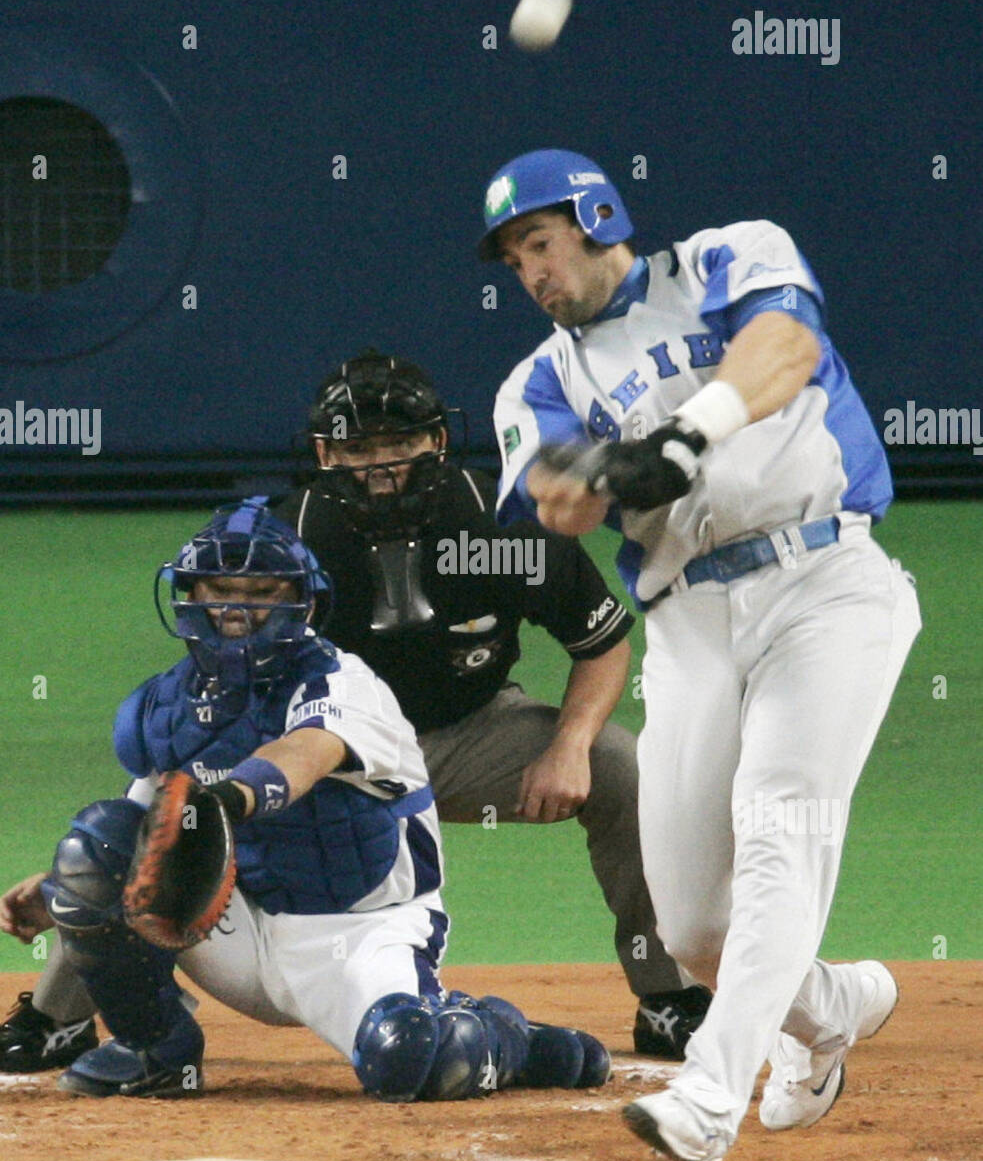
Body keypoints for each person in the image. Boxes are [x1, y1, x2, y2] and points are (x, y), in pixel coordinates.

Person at [0, 354, 711, 1070]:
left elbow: (602, 642)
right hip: (312, 762)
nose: (380, 464)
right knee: (142, 816)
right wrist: (77, 881)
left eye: (398, 444)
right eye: (357, 448)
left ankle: (669, 998)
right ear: (323, 454)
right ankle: (56, 1017)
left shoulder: (503, 526)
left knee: (620, 765)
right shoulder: (283, 544)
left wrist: (569, 744)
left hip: (469, 733)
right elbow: (201, 726)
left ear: (436, 441)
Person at [478, 148, 921, 1161]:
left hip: (825, 582)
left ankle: (710, 1095)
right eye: (511, 260)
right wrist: (590, 470)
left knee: (778, 825)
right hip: (688, 622)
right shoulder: (536, 378)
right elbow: (554, 493)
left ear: (594, 213)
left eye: (537, 241)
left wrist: (680, 437)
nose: (529, 272)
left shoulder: (726, 258)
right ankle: (834, 1004)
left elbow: (782, 348)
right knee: (690, 927)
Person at [23, 499, 610, 1101]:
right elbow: (147, 830)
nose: (235, 610)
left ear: (301, 601)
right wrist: (69, 888)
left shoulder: (342, 682)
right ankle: (157, 1051)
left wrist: (232, 794)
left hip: (356, 934)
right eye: (218, 589)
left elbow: (307, 752)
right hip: (237, 925)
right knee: (99, 843)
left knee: (415, 1060)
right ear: (187, 593)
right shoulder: (162, 706)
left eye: (261, 592)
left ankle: (508, 1036)